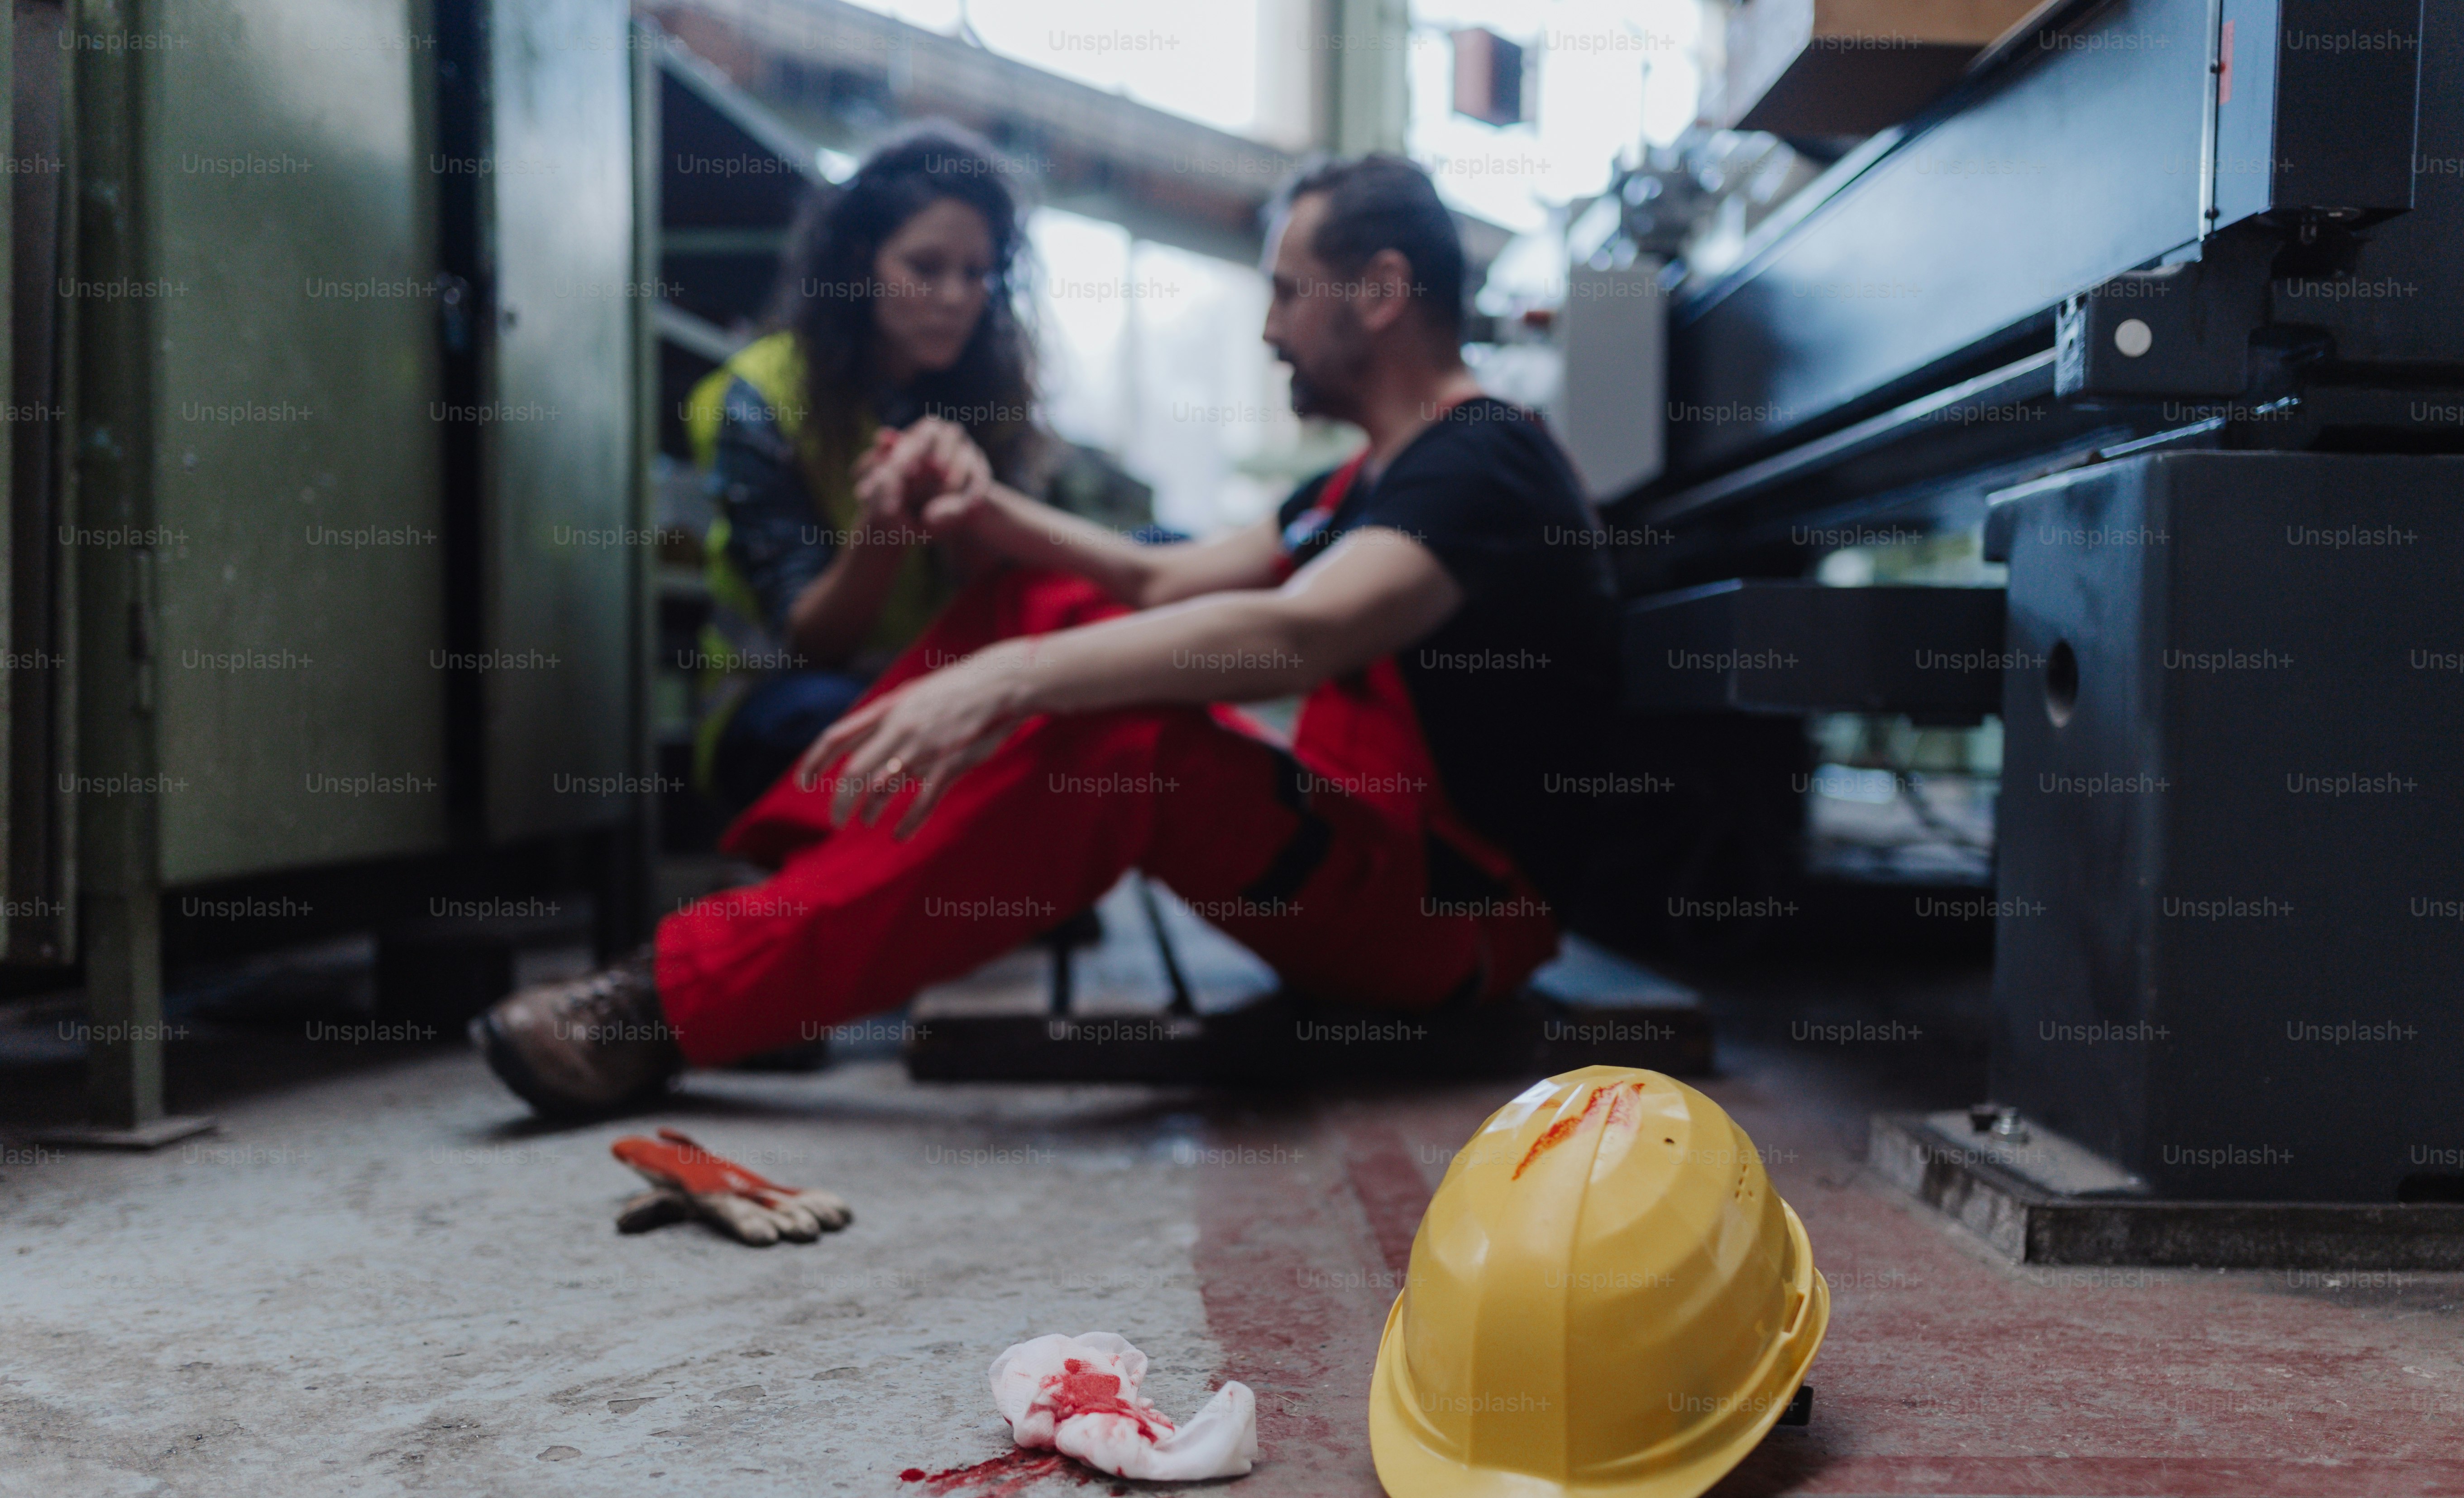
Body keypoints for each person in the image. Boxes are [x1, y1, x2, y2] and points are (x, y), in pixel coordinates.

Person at [475, 154, 1621, 1117]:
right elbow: (1150, 575)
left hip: (1454, 917)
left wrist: (1012, 684)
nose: (1270, 329)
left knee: (1118, 745)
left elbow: (1297, 636)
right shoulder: (1371, 476)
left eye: (1285, 292)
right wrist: (982, 512)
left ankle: (665, 1002)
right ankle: (817, 875)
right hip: (1366, 848)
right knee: (1043, 603)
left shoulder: (1481, 463)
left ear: (1378, 291)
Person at [684, 123, 1038, 815]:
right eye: (926, 267)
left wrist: (976, 519)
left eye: (977, 274)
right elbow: (812, 643)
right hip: (784, 704)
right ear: (857, 261)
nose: (957, 297)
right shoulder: (763, 397)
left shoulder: (988, 402)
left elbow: (1006, 603)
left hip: (939, 689)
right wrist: (885, 528)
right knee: (838, 719)